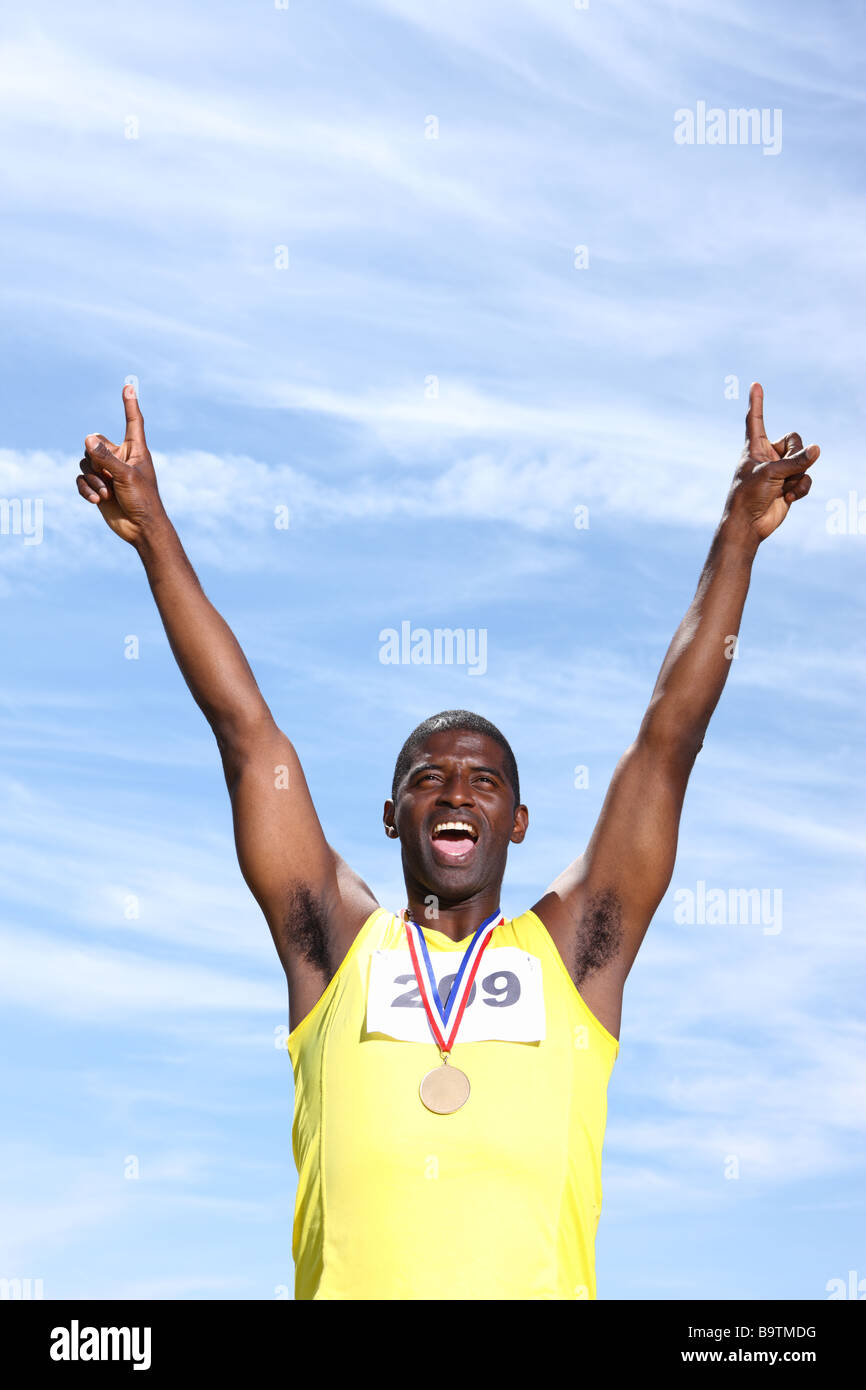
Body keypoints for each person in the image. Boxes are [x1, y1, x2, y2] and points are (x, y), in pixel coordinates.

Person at [77, 382, 820, 1300]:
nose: (455, 791)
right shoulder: (336, 944)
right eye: (427, 778)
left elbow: (669, 741)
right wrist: (153, 532)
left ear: (517, 822)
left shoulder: (576, 957)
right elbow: (246, 732)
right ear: (392, 814)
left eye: (484, 781)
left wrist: (737, 537)